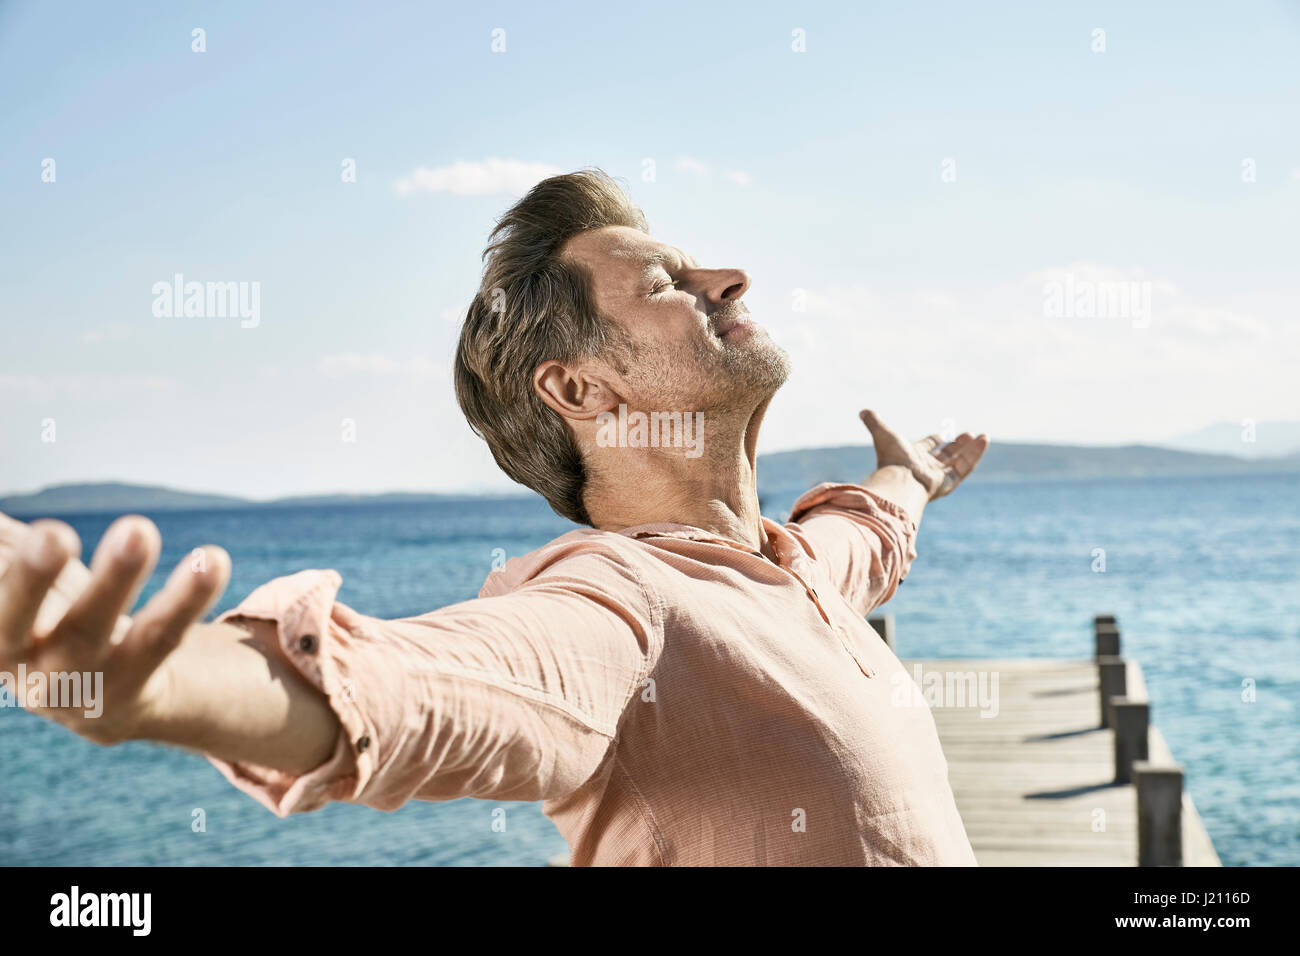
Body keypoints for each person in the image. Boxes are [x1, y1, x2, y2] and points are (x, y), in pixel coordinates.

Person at [0, 169, 989, 865]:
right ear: (580, 388)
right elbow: (427, 685)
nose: (727, 279)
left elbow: (868, 530)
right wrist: (159, 682)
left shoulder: (794, 568)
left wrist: (908, 478)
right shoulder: (624, 605)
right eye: (665, 285)